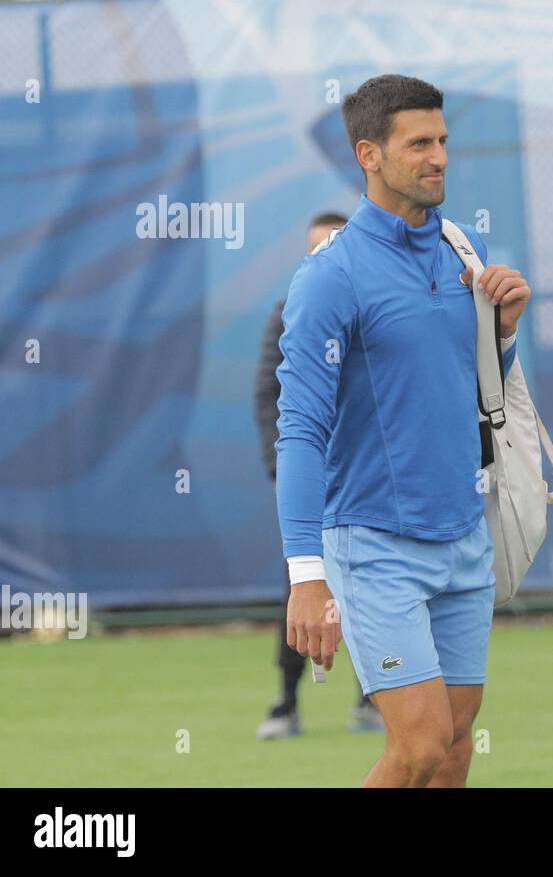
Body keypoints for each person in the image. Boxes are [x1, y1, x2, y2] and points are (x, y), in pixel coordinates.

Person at [275, 75, 531, 787]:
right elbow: (298, 431)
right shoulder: (330, 278)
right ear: (369, 155)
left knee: (453, 746)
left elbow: (476, 387)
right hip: (374, 544)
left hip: (463, 534)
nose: (440, 156)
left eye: (443, 141)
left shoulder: (462, 248)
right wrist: (305, 577)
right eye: (419, 143)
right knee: (417, 746)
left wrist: (503, 333)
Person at [254, 212, 384, 739]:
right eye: (316, 246)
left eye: (332, 243)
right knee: (305, 589)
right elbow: (269, 397)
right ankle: (286, 703)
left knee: (375, 595)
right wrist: (283, 471)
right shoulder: (289, 312)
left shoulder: (372, 309)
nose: (324, 253)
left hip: (366, 485)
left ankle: (371, 700)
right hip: (312, 489)